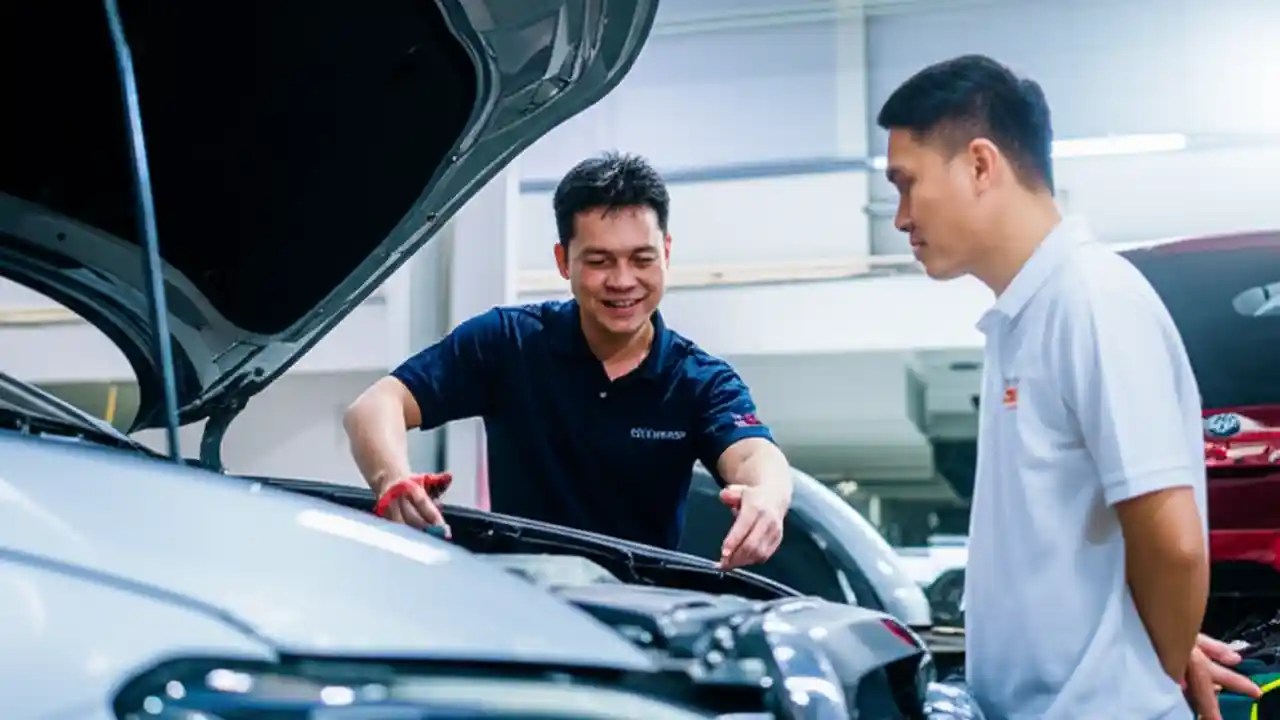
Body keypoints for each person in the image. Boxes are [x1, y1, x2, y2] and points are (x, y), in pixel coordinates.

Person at [875, 54, 1262, 719]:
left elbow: (1173, 545)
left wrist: (1145, 671)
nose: (901, 217)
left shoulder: (1091, 301)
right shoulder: (1024, 320)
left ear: (980, 165)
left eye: (907, 185)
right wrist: (1135, 645)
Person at [343, 151, 793, 569]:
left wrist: (768, 497)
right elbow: (375, 406)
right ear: (563, 261)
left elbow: (754, 455)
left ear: (667, 254)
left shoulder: (699, 381)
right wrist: (392, 479)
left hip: (639, 609)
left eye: (642, 259)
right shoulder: (507, 343)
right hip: (523, 602)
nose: (623, 281)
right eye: (600, 261)